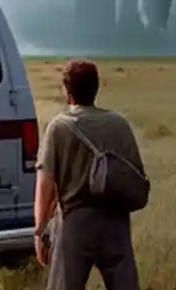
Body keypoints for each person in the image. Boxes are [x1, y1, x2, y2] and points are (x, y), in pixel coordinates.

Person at [33, 59, 145, 290]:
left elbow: (45, 186)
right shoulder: (119, 125)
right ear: (96, 88)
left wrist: (39, 232)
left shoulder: (59, 127)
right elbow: (137, 176)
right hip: (115, 222)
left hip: (75, 223)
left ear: (67, 92)